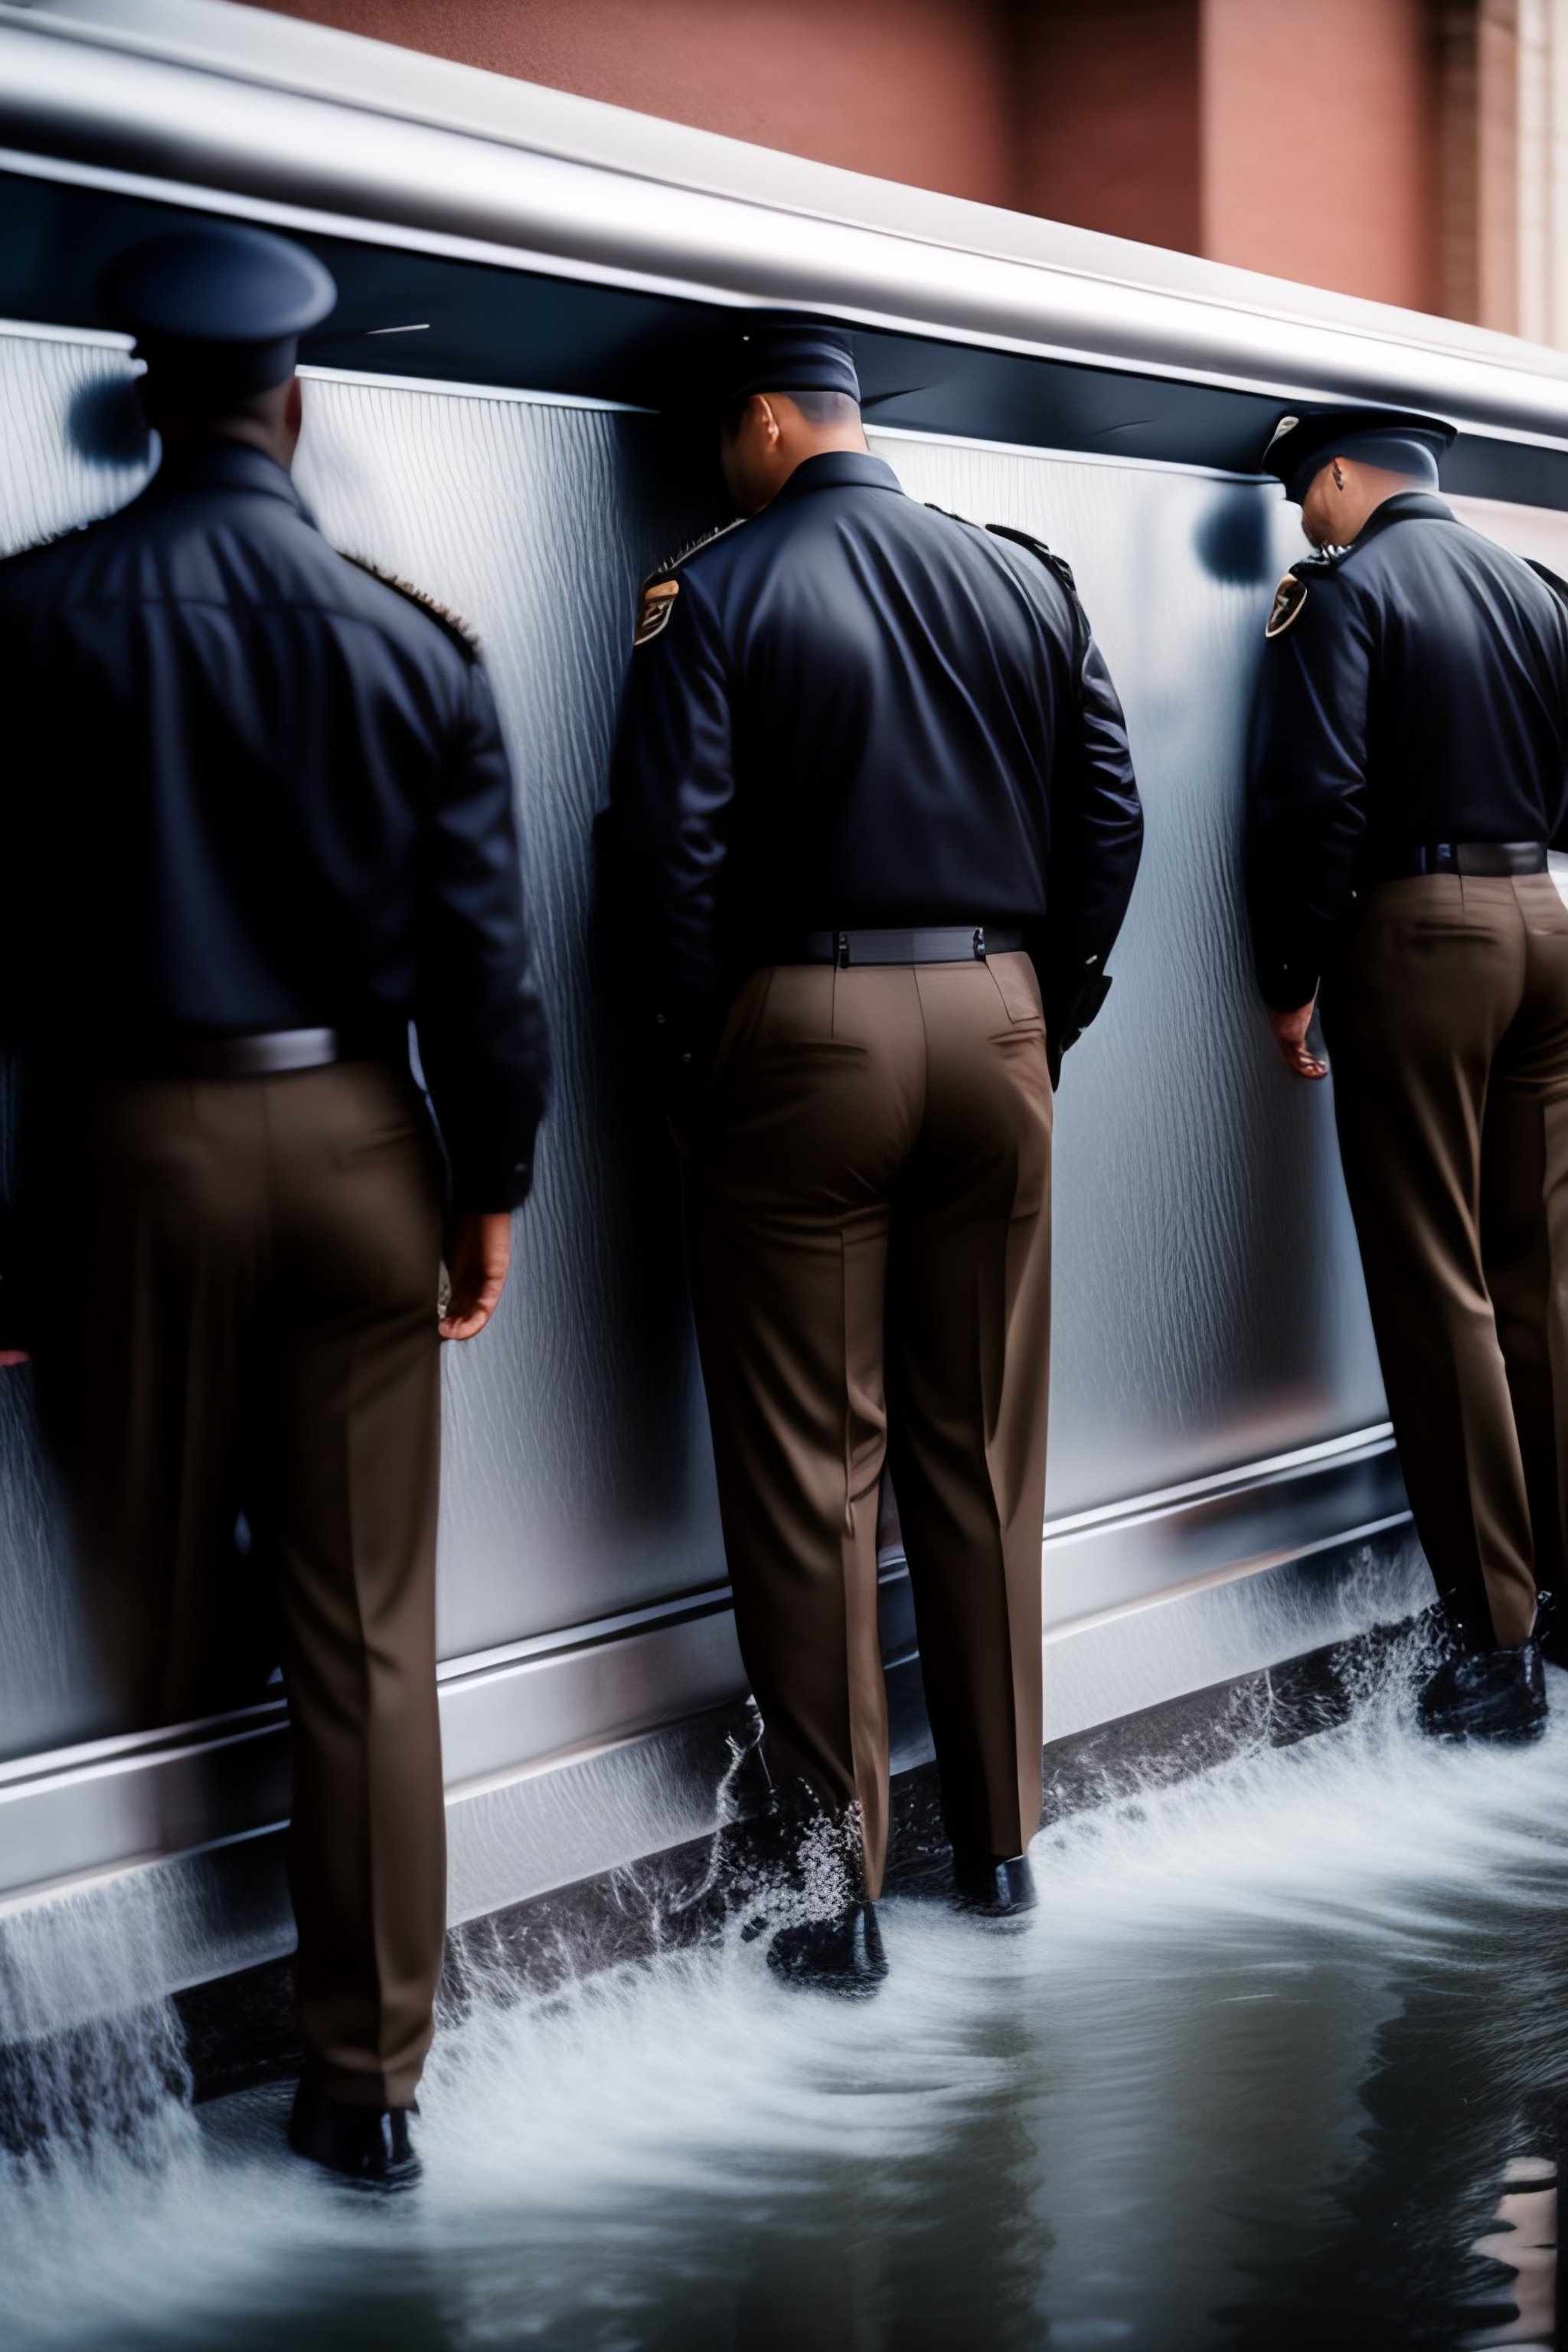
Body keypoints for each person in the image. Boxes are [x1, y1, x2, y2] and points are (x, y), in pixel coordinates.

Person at [0, 222, 549, 2177]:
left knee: (123, 1577)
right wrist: (487, 1187)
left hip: (116, 1152)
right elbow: (485, 973)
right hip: (349, 1148)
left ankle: (102, 2092)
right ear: (291, 408)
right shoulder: (416, 648)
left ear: (148, 403)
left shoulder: (31, 621)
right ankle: (366, 2094)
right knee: (366, 1633)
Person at [603, 318, 1142, 1993]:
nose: (718, 464)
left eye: (722, 436)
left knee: (810, 1475)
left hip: (804, 1032)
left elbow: (664, 857)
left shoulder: (718, 590)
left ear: (768, 420)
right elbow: (1110, 812)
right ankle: (998, 1850)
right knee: (980, 1452)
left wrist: (701, 1056)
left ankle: (836, 1901)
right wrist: (1041, 1007)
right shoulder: (1021, 580)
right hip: (997, 1025)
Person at [1246, 403, 1568, 1743]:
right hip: (1546, 924)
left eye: (1299, 499)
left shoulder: (1344, 592)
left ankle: (1494, 1645)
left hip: (1420, 938)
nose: (1301, 524)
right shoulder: (1542, 592)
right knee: (1541, 1270)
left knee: (1435, 1278)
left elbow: (1312, 799)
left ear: (1337, 476)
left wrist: (1289, 974)